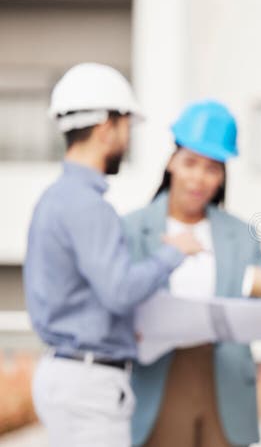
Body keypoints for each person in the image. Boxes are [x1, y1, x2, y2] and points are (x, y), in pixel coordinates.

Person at [24, 63, 202, 447]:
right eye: (126, 128)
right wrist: (172, 253)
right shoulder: (89, 206)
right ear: (106, 128)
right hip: (90, 384)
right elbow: (119, 291)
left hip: (66, 375)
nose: (127, 139)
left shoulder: (53, 200)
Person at [123, 100, 261, 447]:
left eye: (212, 168)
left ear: (223, 176)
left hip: (225, 379)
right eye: (190, 163)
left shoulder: (242, 235)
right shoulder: (133, 228)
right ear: (172, 161)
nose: (198, 179)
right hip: (159, 376)